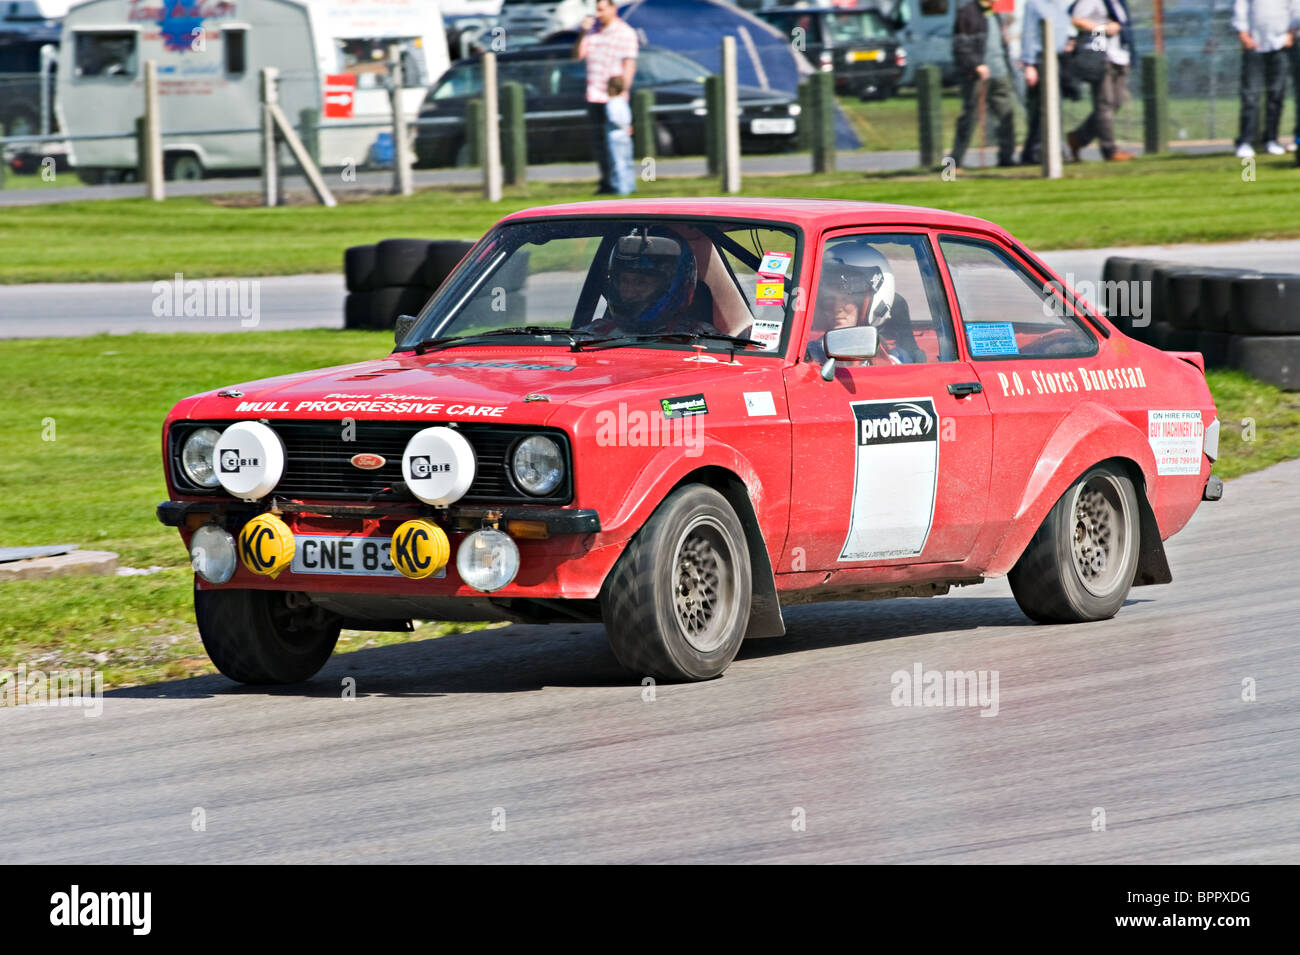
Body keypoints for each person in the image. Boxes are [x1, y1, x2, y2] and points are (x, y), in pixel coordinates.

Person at [806, 242, 924, 365]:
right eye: (829, 299)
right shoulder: (813, 351)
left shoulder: (892, 361)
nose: (836, 308)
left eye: (846, 300)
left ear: (869, 303)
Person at [586, 229, 713, 336]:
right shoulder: (596, 332)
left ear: (672, 285)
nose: (629, 292)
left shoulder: (699, 336)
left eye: (641, 282)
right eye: (624, 280)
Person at [574, 0, 638, 195]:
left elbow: (629, 65)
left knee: (618, 143)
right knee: (599, 144)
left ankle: (624, 187)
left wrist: (621, 90)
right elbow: (577, 55)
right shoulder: (592, 32)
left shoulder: (625, 33)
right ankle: (608, 183)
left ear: (613, 9)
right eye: (596, 10)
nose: (598, 14)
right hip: (594, 94)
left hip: (614, 97)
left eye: (602, 9)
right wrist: (583, 32)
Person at [947, 0, 1018, 170]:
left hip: (999, 73)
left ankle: (1006, 158)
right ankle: (955, 161)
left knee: (1006, 115)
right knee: (970, 118)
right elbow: (960, 45)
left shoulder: (995, 14)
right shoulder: (967, 12)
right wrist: (975, 64)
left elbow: (1001, 43)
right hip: (976, 76)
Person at [1066, 0, 1136, 162]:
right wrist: (1103, 29)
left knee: (1116, 103)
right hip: (1101, 55)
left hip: (1120, 56)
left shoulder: (1119, 3)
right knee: (1104, 105)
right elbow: (1076, 20)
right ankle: (1109, 150)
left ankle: (1078, 137)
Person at [1232, 0, 1296, 158]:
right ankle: (1246, 141)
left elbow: (1295, 10)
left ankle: (1271, 139)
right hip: (1254, 45)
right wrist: (1243, 34)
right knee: (1251, 96)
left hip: (1280, 45)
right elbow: (1240, 8)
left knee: (1276, 95)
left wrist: (1290, 35)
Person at [1019, 0, 1076, 165]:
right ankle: (1039, 152)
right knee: (1045, 108)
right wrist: (1029, 65)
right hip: (1040, 60)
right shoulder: (1034, 4)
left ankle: (1033, 152)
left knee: (1048, 108)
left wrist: (1069, 41)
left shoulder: (1061, 4)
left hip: (1058, 59)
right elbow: (1028, 33)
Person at [606, 76, 635, 195]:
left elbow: (614, 118)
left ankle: (622, 189)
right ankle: (630, 186)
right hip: (625, 135)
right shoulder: (623, 101)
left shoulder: (612, 103)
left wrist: (624, 127)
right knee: (628, 162)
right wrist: (628, 127)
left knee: (618, 163)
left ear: (612, 88)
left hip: (616, 135)